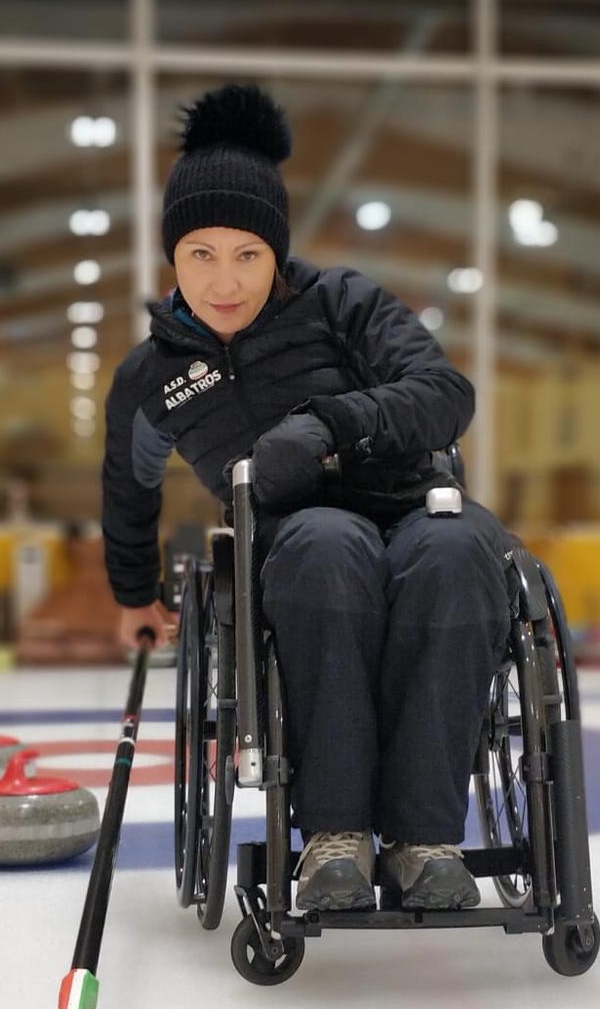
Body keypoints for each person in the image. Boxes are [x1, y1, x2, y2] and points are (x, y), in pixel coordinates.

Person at [103, 84, 512, 914]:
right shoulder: (152, 380)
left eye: (248, 255)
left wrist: (328, 425)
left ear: (277, 252)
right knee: (328, 548)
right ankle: (336, 835)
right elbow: (129, 483)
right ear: (172, 258)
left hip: (413, 500)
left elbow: (445, 392)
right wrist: (133, 591)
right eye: (202, 255)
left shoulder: (341, 304)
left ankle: (424, 838)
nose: (225, 281)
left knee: (462, 551)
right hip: (293, 538)